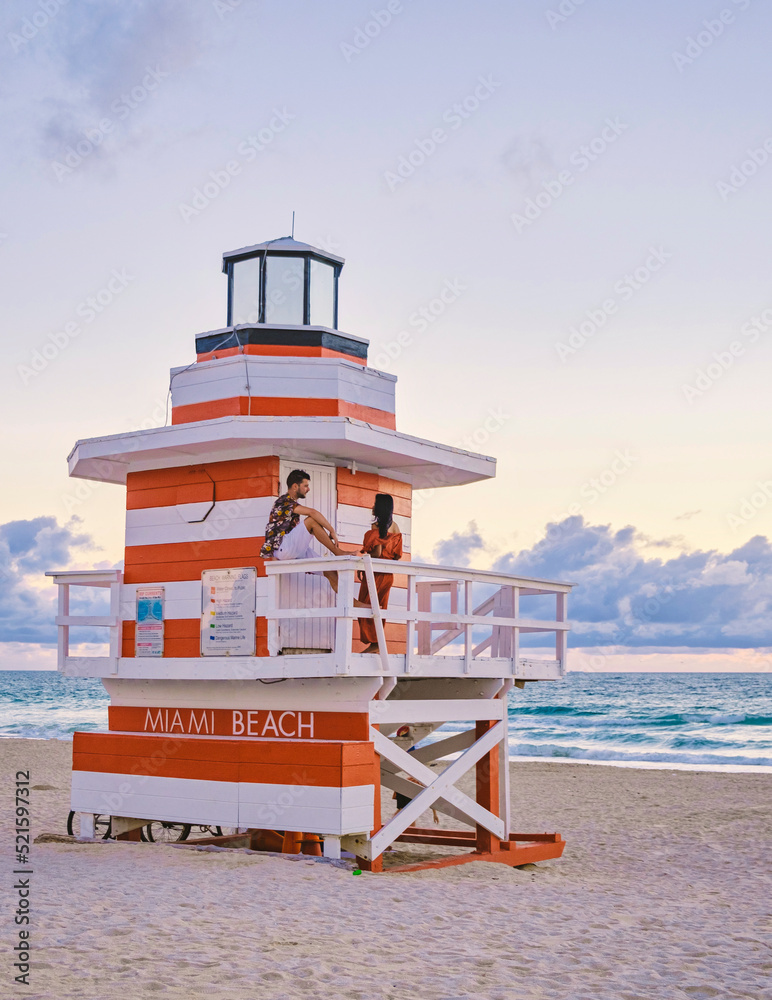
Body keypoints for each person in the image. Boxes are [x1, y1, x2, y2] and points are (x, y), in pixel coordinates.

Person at [260, 469, 345, 592]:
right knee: (311, 521)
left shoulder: (290, 503)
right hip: (284, 548)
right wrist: (331, 530)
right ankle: (338, 552)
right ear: (295, 486)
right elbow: (312, 512)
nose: (308, 489)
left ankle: (353, 603)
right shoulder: (284, 501)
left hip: (292, 550)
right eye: (305, 486)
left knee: (330, 571)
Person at [357, 493, 402, 654]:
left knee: (365, 607)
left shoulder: (376, 526)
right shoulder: (395, 526)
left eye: (375, 504)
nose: (372, 507)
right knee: (378, 608)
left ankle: (375, 644)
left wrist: (362, 564)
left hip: (375, 574)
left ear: (380, 507)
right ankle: (376, 644)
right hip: (387, 575)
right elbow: (396, 555)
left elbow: (376, 554)